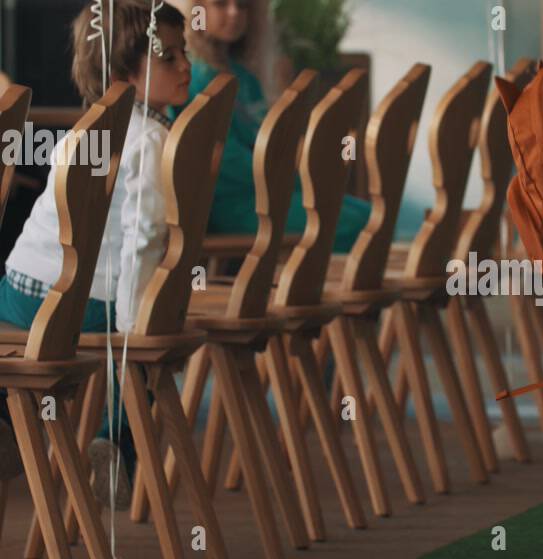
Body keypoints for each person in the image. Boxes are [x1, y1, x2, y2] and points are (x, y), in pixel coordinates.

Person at [0, 0, 191, 511]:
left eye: (183, 52)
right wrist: (135, 323)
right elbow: (144, 237)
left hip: (30, 292)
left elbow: (139, 235)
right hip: (88, 301)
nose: (185, 65)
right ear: (122, 74)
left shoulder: (91, 132)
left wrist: (131, 326)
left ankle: (34, 438)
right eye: (168, 56)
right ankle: (112, 441)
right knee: (132, 339)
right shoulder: (154, 139)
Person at [173, 0, 370, 252]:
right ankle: (313, 288)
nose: (234, 13)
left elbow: (268, 138)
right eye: (221, 4)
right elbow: (224, 158)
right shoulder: (195, 76)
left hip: (265, 192)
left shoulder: (243, 77)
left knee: (367, 212)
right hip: (230, 204)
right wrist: (292, 176)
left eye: (243, 5)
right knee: (352, 221)